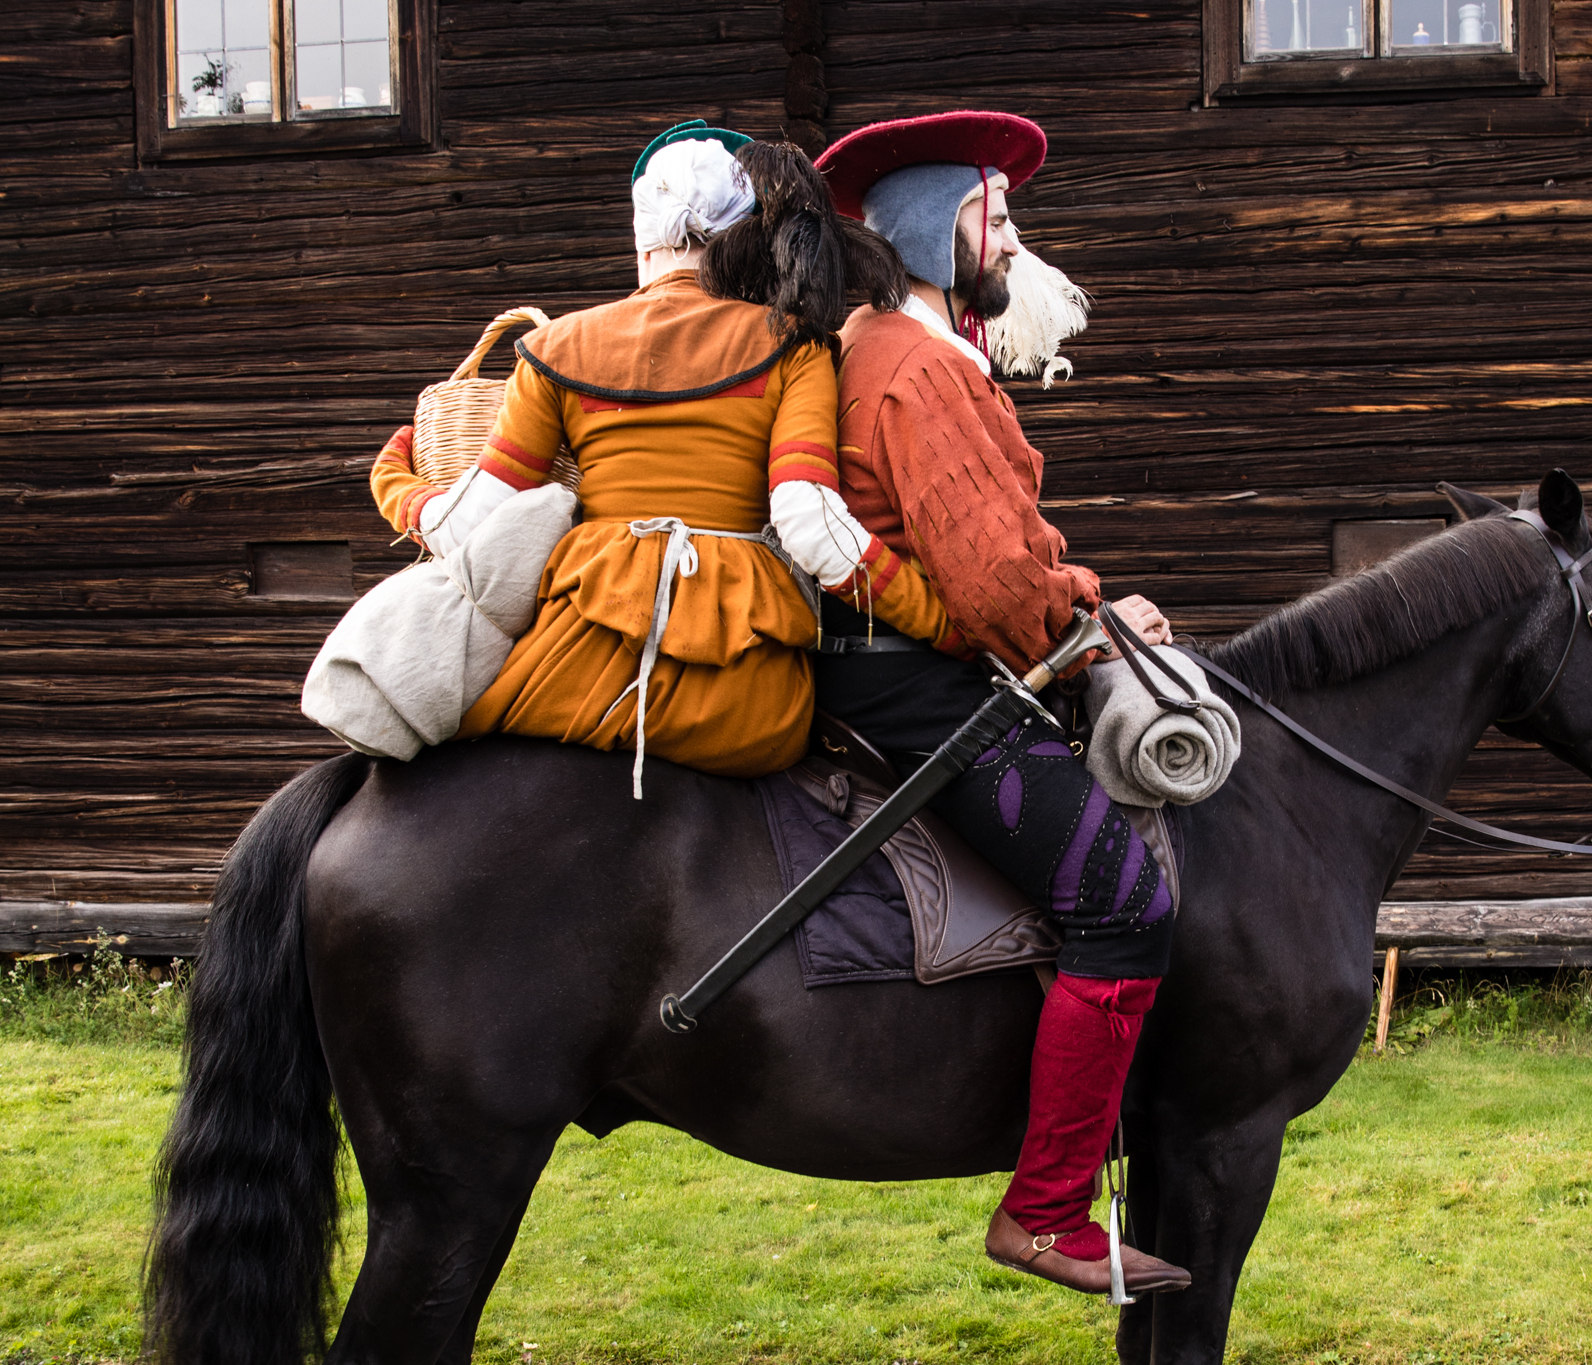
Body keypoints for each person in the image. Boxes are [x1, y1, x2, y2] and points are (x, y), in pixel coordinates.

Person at [814, 111, 1191, 1296]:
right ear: (935, 232)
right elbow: (989, 584)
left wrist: (1070, 600)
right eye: (998, 219)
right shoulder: (918, 370)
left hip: (888, 667)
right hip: (920, 688)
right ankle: (1043, 1215)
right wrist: (1093, 621)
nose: (1015, 245)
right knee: (1123, 903)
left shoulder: (868, 348)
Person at [367, 122, 970, 793]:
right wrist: (943, 624)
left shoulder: (556, 349)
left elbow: (464, 528)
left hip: (577, 666)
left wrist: (394, 480)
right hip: (741, 687)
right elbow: (808, 522)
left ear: (640, 242)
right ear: (744, 238)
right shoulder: (795, 345)